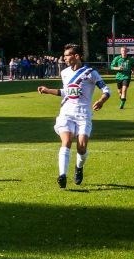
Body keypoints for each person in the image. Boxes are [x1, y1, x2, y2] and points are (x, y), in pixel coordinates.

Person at [37, 43, 110, 188]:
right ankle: (62, 175)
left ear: (76, 56)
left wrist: (101, 100)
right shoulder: (65, 73)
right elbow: (66, 92)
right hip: (67, 113)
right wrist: (47, 90)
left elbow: (106, 89)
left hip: (83, 114)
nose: (64, 58)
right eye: (64, 56)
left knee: (81, 147)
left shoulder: (91, 72)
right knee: (67, 141)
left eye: (67, 55)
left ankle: (79, 167)